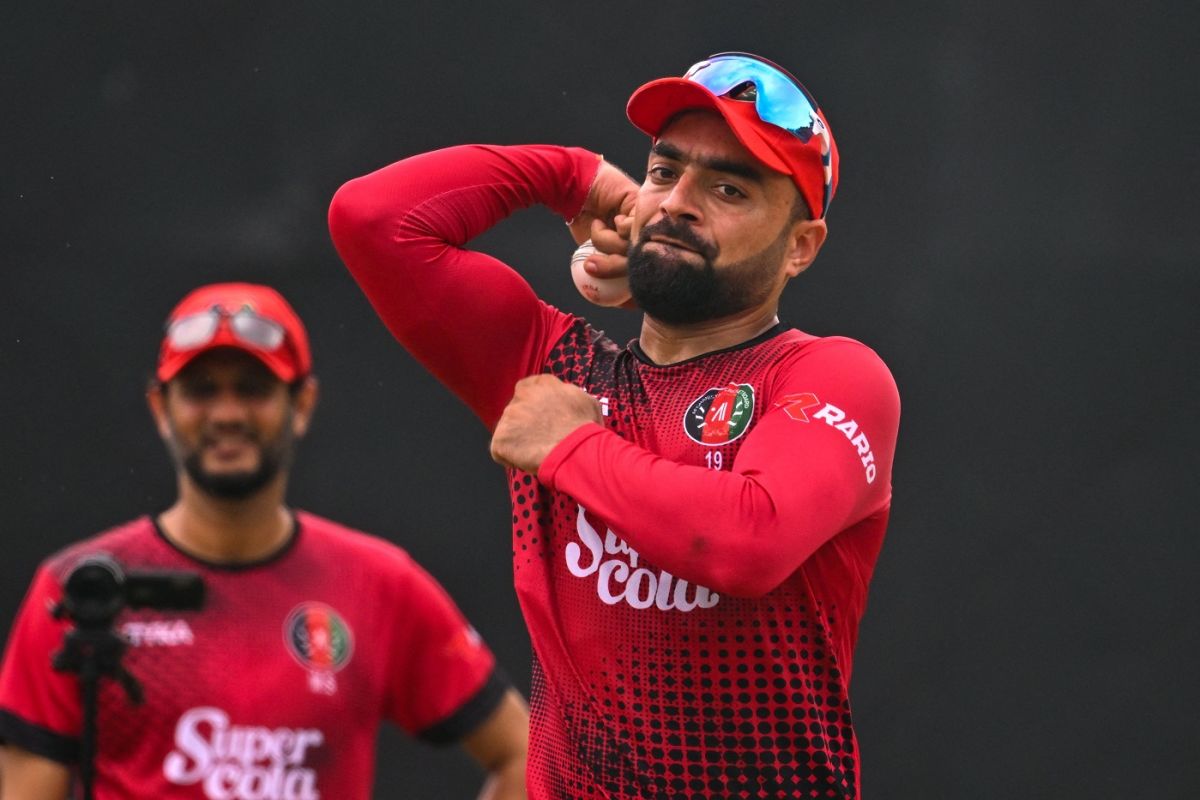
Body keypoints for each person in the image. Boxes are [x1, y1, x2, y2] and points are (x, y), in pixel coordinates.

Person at [329, 51, 900, 800]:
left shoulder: (832, 375)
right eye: (665, 173)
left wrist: (571, 446)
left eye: (729, 188)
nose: (678, 203)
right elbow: (373, 221)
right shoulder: (555, 366)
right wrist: (572, 175)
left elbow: (747, 543)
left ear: (800, 247)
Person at [0, 282, 529, 800]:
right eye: (201, 389)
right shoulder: (82, 591)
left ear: (302, 404)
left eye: (253, 388)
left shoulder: (378, 584)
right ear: (161, 409)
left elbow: (524, 755)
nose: (227, 414)